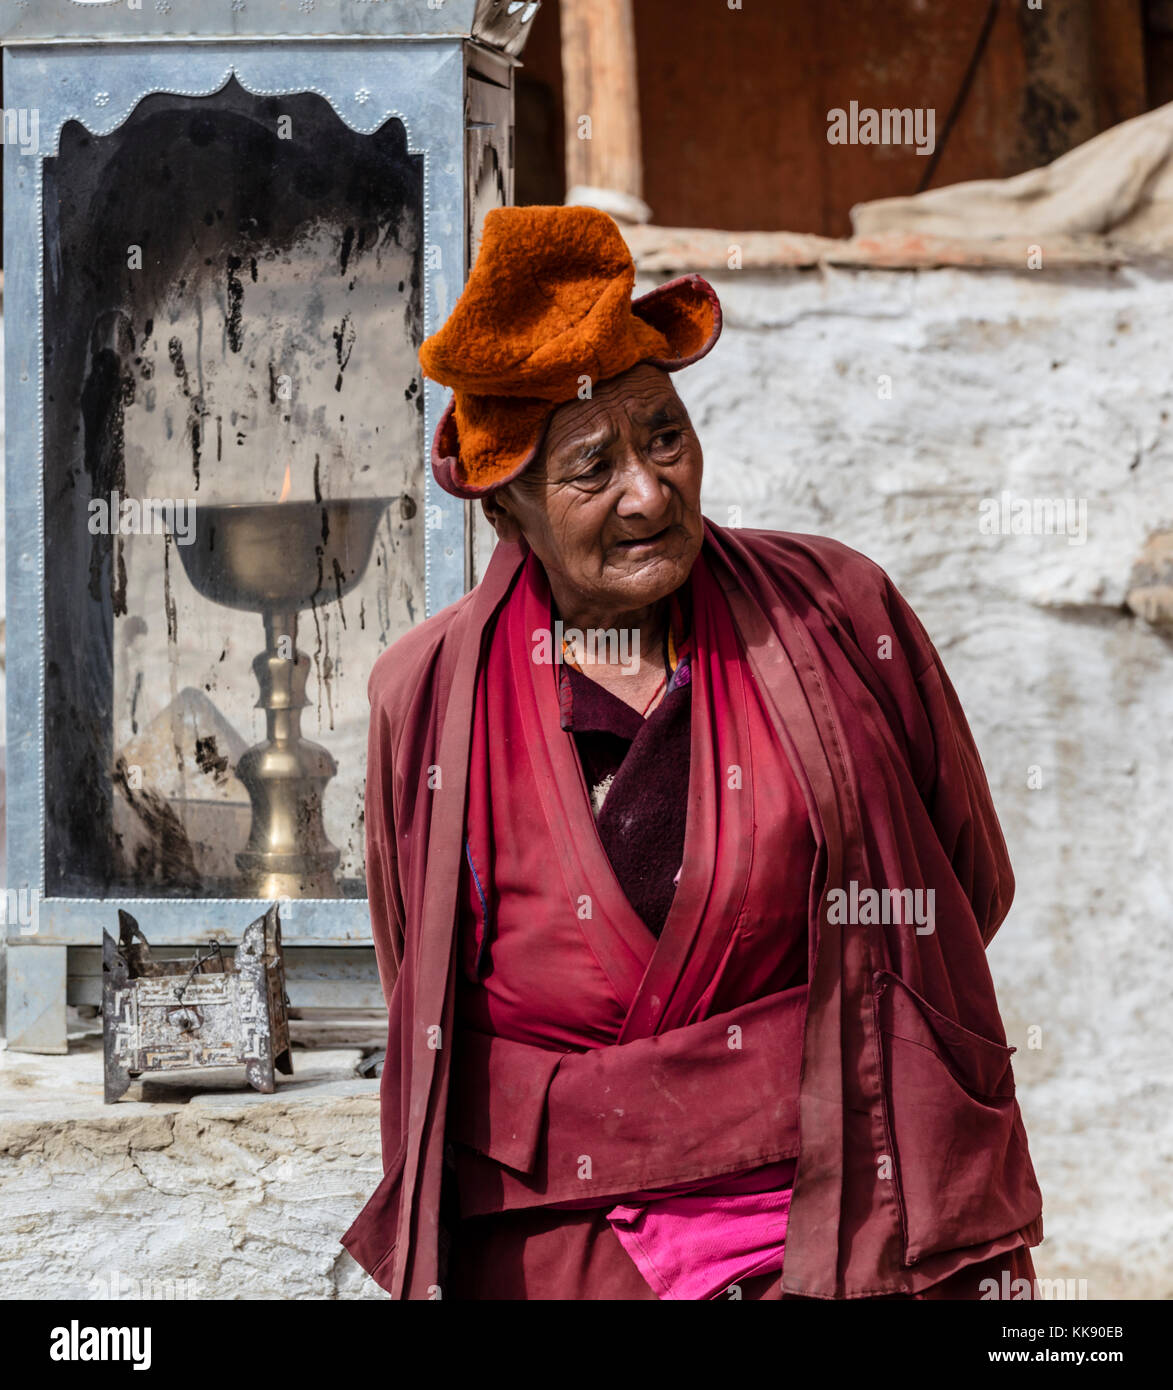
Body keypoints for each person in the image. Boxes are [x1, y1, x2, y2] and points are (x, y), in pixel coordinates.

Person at [341, 204, 1043, 1300]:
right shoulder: (425, 699)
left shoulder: (837, 613)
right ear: (510, 507)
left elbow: (961, 889)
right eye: (591, 466)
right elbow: (417, 974)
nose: (648, 491)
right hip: (561, 1244)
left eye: (664, 435)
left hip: (848, 1200)